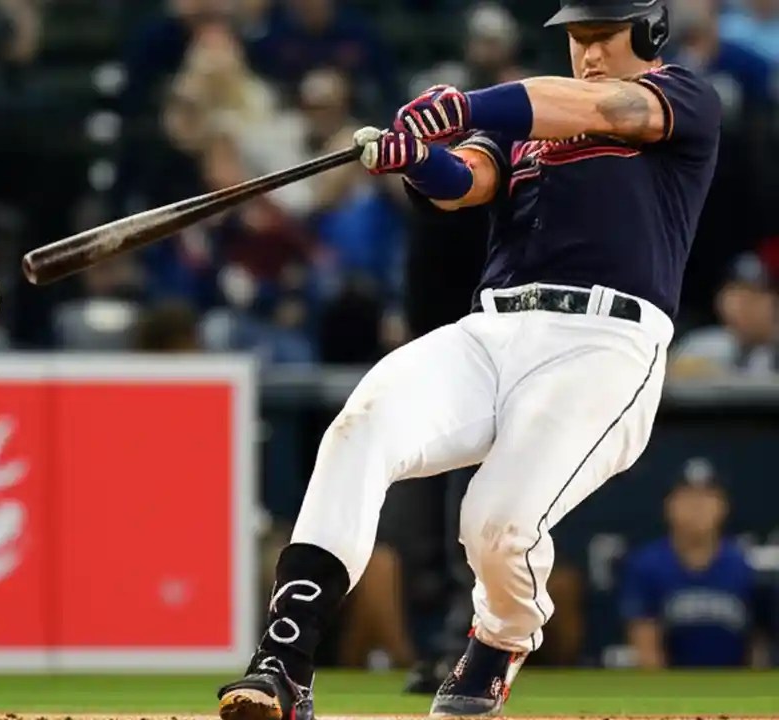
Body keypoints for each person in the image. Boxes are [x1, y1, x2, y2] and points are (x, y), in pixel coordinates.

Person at [215, 0, 721, 718]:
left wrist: (459, 105)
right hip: (493, 328)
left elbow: (605, 106)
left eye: (604, 35)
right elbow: (465, 184)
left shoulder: (680, 96)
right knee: (363, 424)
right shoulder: (525, 126)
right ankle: (285, 661)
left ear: (648, 33)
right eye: (578, 37)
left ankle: (497, 643)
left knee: (497, 524)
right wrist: (416, 159)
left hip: (605, 343)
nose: (589, 50)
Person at [620, 458, 769, 668]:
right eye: (687, 496)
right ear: (669, 505)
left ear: (723, 505)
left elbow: (758, 646)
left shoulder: (745, 565)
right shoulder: (648, 565)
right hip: (671, 690)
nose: (697, 506)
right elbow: (646, 650)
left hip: (736, 688)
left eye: (706, 496)